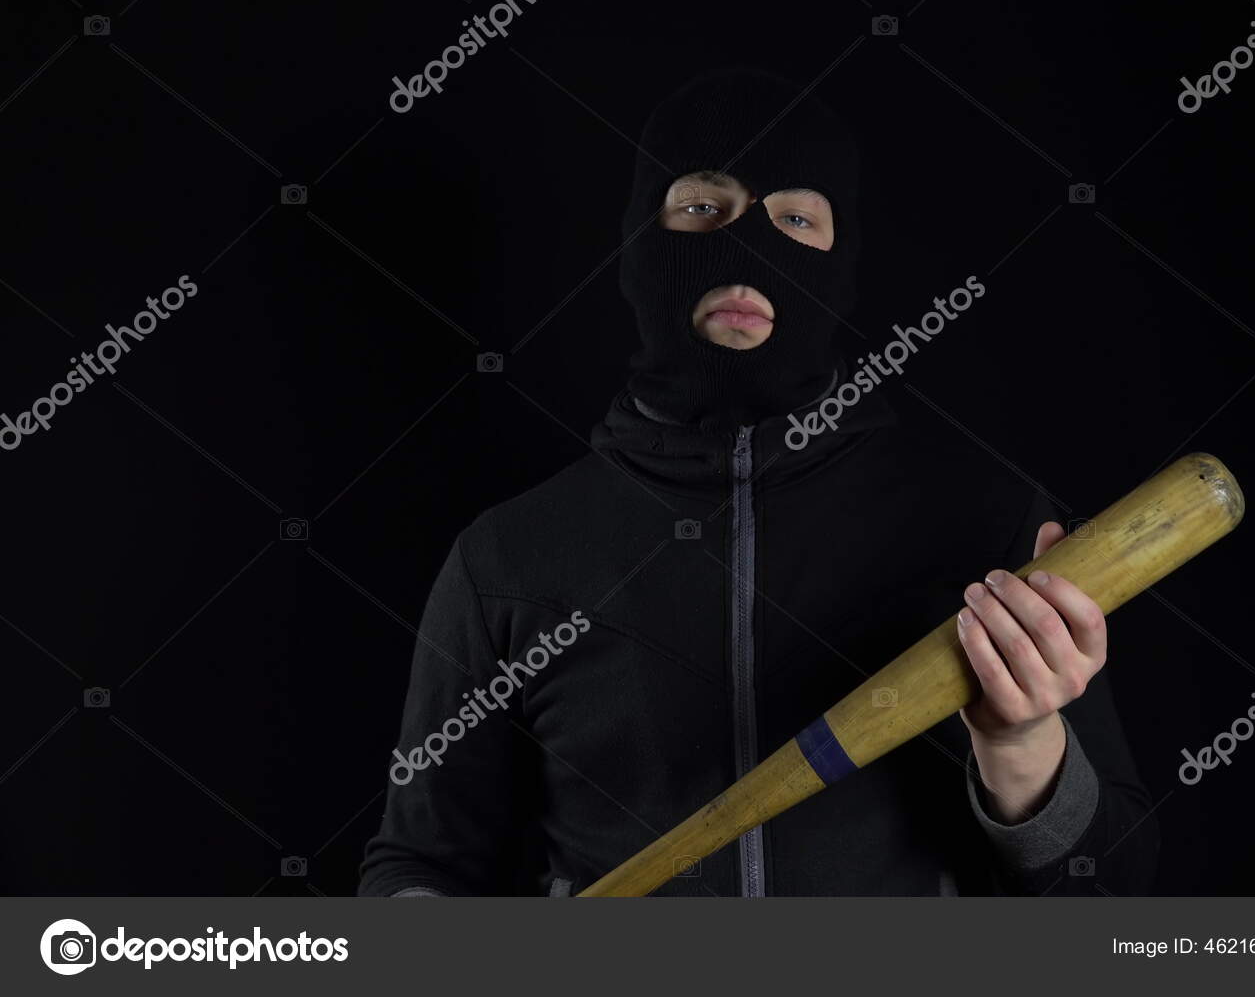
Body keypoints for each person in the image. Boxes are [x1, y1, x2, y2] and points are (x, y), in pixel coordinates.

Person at [359, 68, 1157, 897]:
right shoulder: (507, 560)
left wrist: (1021, 746)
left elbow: (1112, 889)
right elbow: (421, 865)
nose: (745, 250)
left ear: (844, 261)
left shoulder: (984, 525)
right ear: (637, 245)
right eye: (704, 208)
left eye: (795, 218)